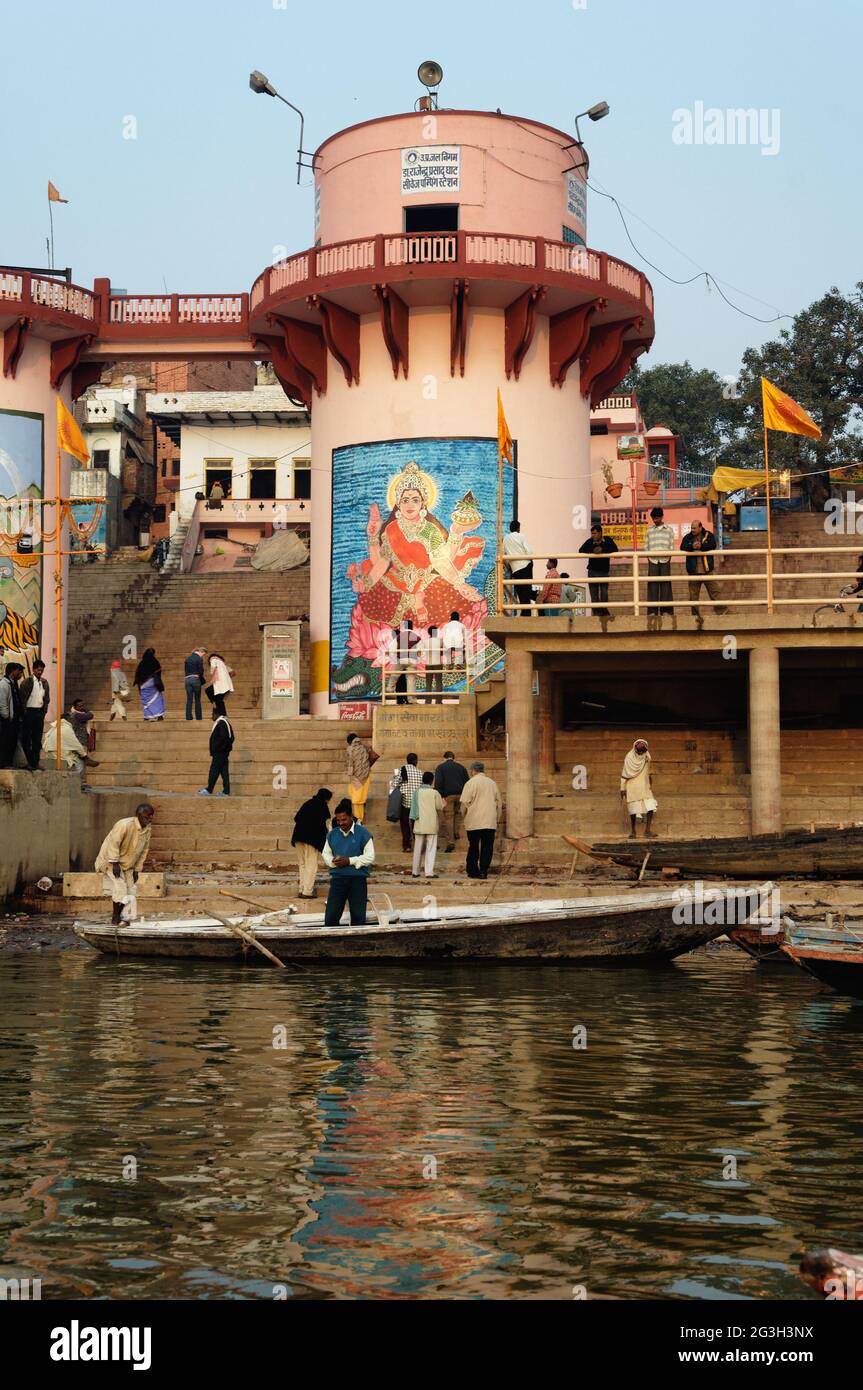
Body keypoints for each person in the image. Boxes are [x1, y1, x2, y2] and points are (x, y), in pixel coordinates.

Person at [94, 803, 155, 925]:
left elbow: (144, 851)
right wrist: (114, 863)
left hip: (128, 864)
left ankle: (122, 916)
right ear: (139, 815)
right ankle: (115, 918)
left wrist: (137, 870)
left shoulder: (147, 829)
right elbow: (113, 843)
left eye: (151, 817)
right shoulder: (124, 824)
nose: (149, 819)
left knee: (131, 890)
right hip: (110, 861)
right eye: (146, 817)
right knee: (120, 888)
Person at [322, 797, 375, 926]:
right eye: (338, 820)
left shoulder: (363, 833)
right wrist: (333, 862)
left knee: (358, 916)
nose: (341, 823)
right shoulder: (332, 834)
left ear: (351, 817)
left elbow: (370, 856)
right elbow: (325, 854)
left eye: (344, 819)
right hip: (338, 880)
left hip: (357, 880)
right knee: (331, 916)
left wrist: (349, 861)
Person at [460, 760, 502, 880]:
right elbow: (499, 803)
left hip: (474, 821)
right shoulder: (492, 783)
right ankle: (483, 871)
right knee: (487, 847)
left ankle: (472, 871)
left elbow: (464, 803)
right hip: (489, 822)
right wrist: (496, 819)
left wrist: (464, 817)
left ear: (473, 771)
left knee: (473, 846)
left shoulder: (470, 783)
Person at [291, 787, 333, 899]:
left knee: (302, 864)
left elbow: (296, 818)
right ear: (326, 799)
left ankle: (302, 889)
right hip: (311, 839)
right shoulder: (322, 806)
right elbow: (323, 824)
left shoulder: (307, 803)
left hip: (298, 837)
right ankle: (307, 892)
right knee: (311, 864)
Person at [681, 520, 727, 620]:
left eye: (694, 528)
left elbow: (713, 545)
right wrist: (691, 546)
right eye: (691, 528)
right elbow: (682, 547)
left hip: (707, 570)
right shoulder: (688, 537)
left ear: (700, 527)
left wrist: (701, 546)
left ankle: (722, 612)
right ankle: (695, 617)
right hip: (693, 572)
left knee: (715, 592)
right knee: (693, 596)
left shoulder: (708, 535)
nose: (692, 530)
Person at [579, 524, 618, 621]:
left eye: (594, 533)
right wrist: (593, 550)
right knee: (594, 594)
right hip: (592, 571)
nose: (592, 535)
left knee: (604, 593)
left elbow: (615, 549)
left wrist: (603, 550)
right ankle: (596, 613)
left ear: (600, 533)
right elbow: (581, 550)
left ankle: (604, 611)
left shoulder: (608, 540)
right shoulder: (590, 541)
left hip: (604, 572)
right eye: (591, 533)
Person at [620, 738, 657, 839]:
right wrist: (622, 788)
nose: (641, 753)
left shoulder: (647, 756)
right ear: (635, 749)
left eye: (642, 751)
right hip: (632, 787)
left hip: (644, 786)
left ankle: (647, 831)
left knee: (650, 807)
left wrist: (650, 780)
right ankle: (633, 831)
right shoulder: (629, 757)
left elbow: (648, 769)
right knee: (633, 810)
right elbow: (624, 774)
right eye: (639, 751)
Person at [410, 771, 445, 879]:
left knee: (417, 848)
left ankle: (415, 871)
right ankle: (429, 872)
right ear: (431, 781)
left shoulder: (417, 792)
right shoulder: (434, 793)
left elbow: (413, 807)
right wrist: (443, 803)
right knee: (431, 848)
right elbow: (439, 806)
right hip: (431, 824)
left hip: (419, 822)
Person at [433, 750, 469, 852]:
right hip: (461, 795)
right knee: (458, 814)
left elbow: (438, 783)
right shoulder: (461, 767)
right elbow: (467, 781)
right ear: (453, 758)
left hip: (448, 795)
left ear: (444, 758)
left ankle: (451, 842)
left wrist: (440, 796)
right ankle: (456, 831)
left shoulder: (441, 767)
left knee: (449, 817)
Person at [645, 506, 675, 626]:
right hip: (652, 560)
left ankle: (666, 610)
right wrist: (649, 557)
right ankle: (652, 611)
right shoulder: (649, 530)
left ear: (662, 517)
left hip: (665, 560)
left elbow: (671, 545)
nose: (655, 520)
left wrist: (667, 557)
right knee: (652, 585)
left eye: (657, 518)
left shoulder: (669, 530)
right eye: (653, 518)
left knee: (666, 585)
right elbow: (646, 546)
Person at [19, 659, 50, 770]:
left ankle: (35, 762)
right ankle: (28, 762)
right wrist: (24, 714)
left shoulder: (44, 683)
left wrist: (44, 712)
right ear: (33, 669)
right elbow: (22, 699)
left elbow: (46, 699)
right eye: (38, 670)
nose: (40, 672)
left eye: (41, 670)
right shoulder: (27, 682)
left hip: (39, 713)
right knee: (26, 739)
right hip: (28, 712)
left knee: (37, 739)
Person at [391, 752, 422, 852]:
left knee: (404, 824)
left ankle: (407, 846)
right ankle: (418, 845)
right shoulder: (420, 772)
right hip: (416, 803)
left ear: (407, 760)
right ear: (415, 761)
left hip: (404, 802)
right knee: (415, 824)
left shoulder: (401, 770)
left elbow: (394, 784)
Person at [199, 707, 234, 796]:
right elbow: (231, 737)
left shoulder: (222, 723)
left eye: (212, 714)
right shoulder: (224, 723)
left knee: (214, 770)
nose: (212, 717)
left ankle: (209, 789)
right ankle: (226, 791)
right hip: (222, 752)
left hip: (220, 753)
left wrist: (217, 748)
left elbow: (225, 737)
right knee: (224, 771)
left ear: (217, 714)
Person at [502, 519, 534, 614]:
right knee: (527, 590)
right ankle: (526, 613)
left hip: (515, 569)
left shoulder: (506, 539)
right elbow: (530, 552)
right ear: (518, 528)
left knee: (520, 591)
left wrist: (510, 566)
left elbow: (504, 556)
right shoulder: (522, 536)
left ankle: (524, 612)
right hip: (525, 566)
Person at [346, 732, 376, 822]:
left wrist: (350, 774)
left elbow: (350, 764)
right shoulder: (365, 747)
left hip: (356, 777)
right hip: (366, 777)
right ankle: (360, 818)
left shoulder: (350, 749)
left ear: (350, 741)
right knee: (360, 799)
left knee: (355, 799)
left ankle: (357, 818)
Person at [0, 661, 23, 768]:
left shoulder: (13, 683)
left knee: (12, 741)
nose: (20, 673)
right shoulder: (4, 684)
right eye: (18, 671)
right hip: (7, 720)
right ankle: (4, 763)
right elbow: (2, 702)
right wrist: (6, 716)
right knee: (6, 742)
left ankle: (9, 762)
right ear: (13, 671)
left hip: (14, 719)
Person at [133, 648, 165, 720]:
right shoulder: (155, 661)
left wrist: (139, 683)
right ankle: (159, 716)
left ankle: (147, 716)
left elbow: (138, 674)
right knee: (157, 698)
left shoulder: (142, 663)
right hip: (152, 683)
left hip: (143, 684)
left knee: (146, 700)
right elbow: (158, 671)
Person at [422, 625, 443, 703]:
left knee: (428, 683)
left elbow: (423, 653)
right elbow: (441, 652)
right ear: (436, 632)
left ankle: (428, 701)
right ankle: (438, 701)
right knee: (439, 682)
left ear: (429, 633)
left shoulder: (425, 641)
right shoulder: (440, 641)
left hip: (428, 664)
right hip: (437, 663)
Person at [184, 647, 206, 721]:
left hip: (187, 680)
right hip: (196, 680)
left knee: (189, 699)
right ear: (201, 652)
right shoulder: (199, 659)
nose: (203, 656)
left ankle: (188, 717)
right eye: (203, 654)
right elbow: (201, 671)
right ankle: (198, 717)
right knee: (197, 699)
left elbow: (185, 670)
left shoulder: (187, 658)